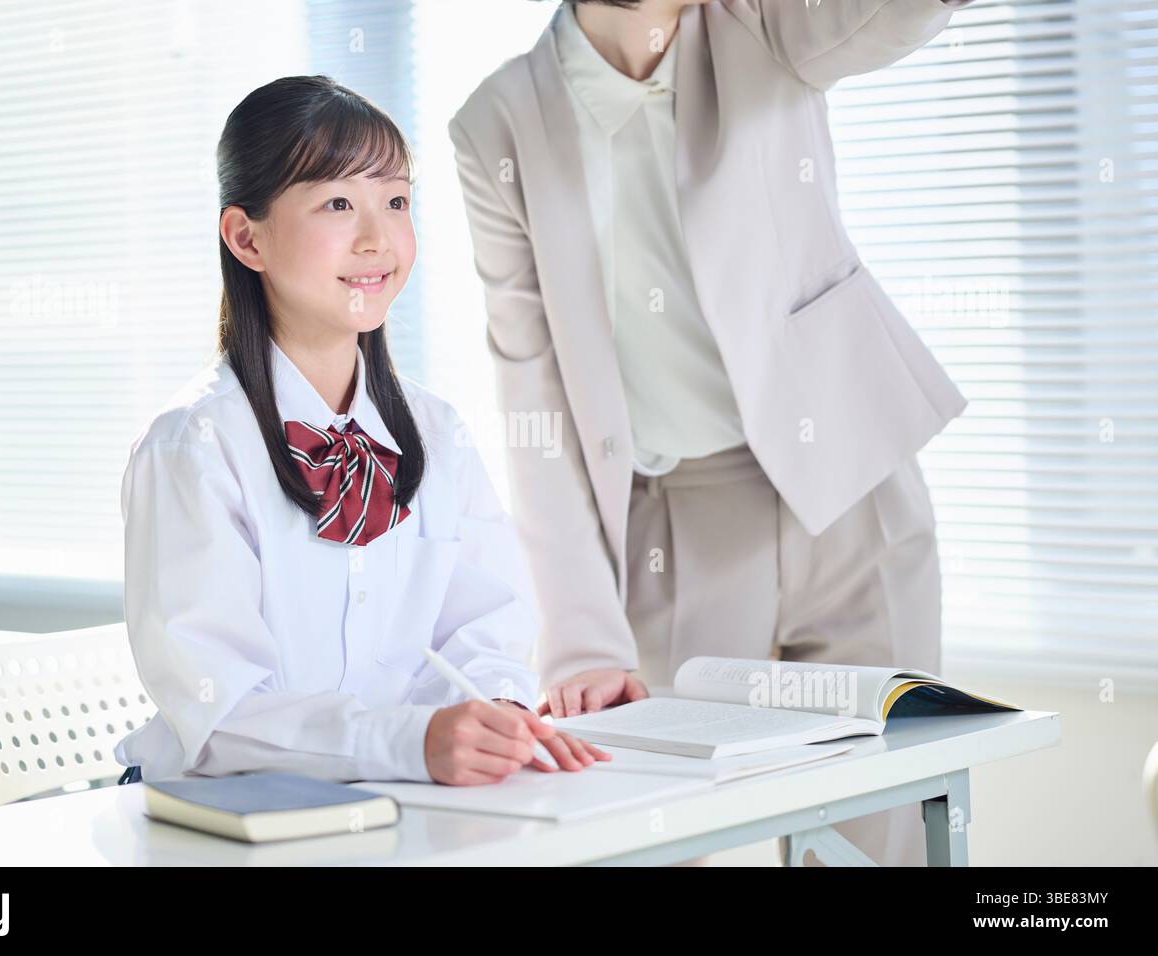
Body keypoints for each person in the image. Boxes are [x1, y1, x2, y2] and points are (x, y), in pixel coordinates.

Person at [449, 0, 973, 863]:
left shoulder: (762, 23)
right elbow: (531, 392)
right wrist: (582, 637)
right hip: (674, 528)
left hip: (853, 488)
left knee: (880, 841)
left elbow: (883, 16)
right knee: (652, 833)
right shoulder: (497, 123)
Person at [114, 75, 608, 788]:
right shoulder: (192, 447)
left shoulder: (438, 432)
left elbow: (486, 624)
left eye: (397, 202)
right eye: (339, 203)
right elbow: (216, 714)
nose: (378, 239)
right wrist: (407, 742)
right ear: (246, 238)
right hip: (215, 817)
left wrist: (491, 714)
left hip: (397, 796)